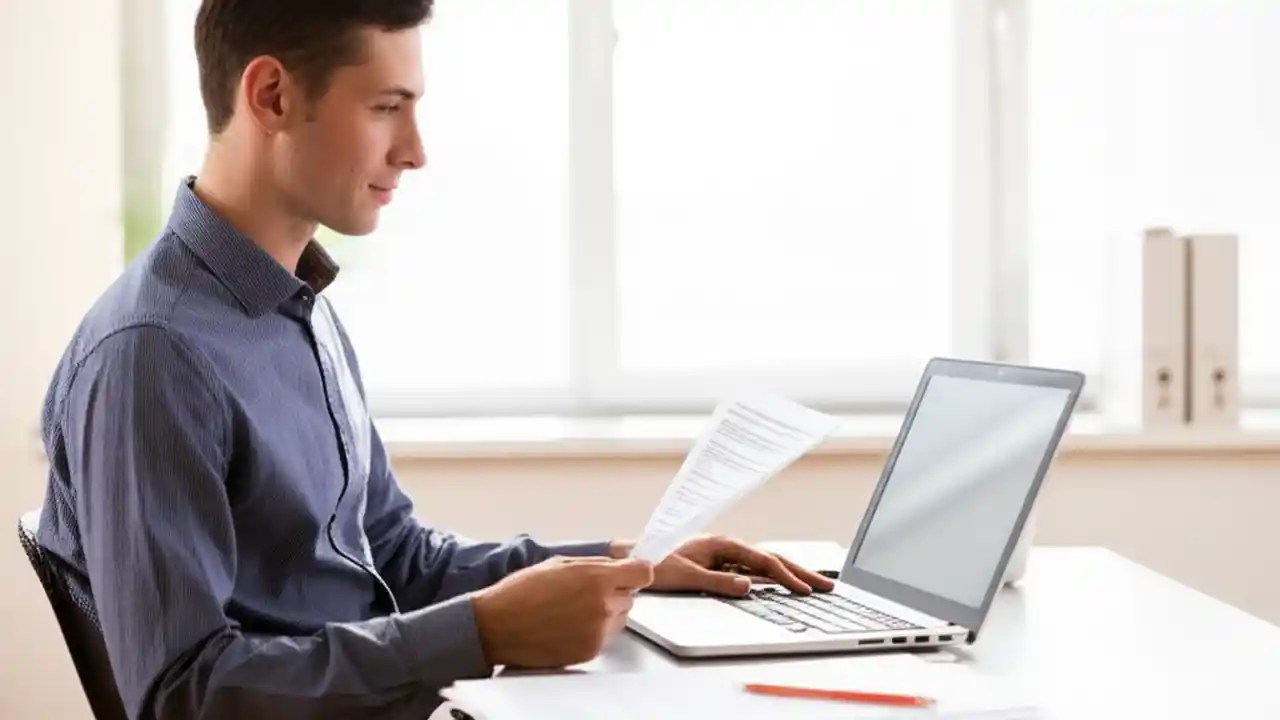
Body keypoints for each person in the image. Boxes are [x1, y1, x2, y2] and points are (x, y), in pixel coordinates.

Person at [36, 1, 833, 718]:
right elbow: (181, 696)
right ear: (272, 96)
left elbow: (397, 560)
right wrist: (482, 632)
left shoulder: (297, 308)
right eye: (387, 108)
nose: (415, 151)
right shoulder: (153, 355)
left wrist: (629, 564)